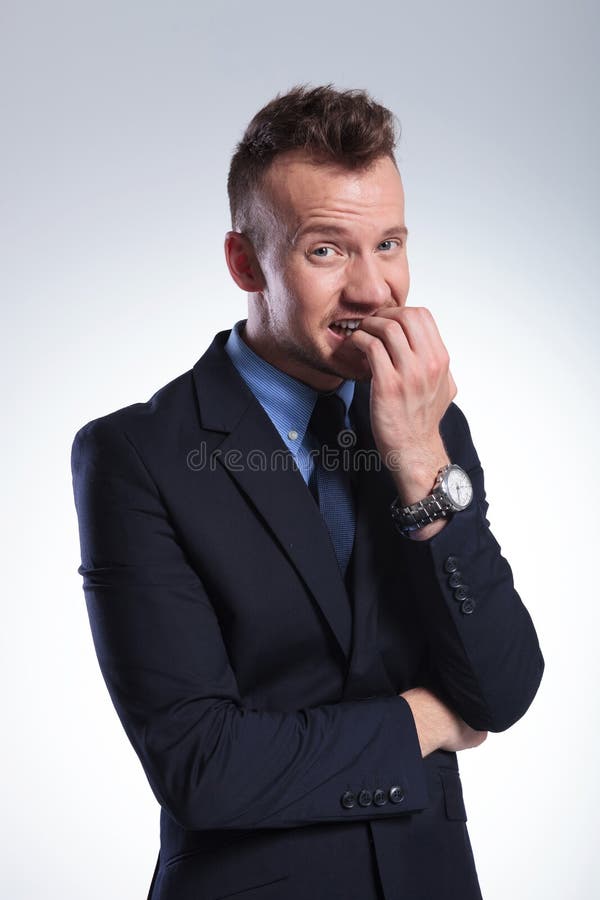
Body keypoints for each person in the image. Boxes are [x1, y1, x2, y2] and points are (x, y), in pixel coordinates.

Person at [71, 85, 544, 900]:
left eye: (389, 243)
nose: (374, 290)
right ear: (245, 263)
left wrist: (420, 461)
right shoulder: (137, 454)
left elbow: (501, 690)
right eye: (327, 251)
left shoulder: (429, 424)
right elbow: (202, 767)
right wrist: (422, 721)